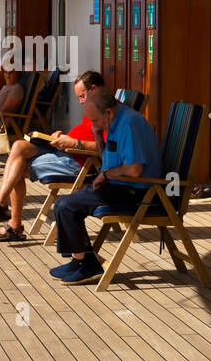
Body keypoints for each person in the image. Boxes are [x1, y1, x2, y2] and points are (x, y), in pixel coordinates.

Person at [50, 87, 162, 284]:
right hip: (119, 184)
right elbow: (107, 159)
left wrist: (109, 174)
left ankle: (86, 264)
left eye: (94, 120)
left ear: (108, 112)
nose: (93, 124)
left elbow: (135, 170)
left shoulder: (128, 125)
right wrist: (97, 133)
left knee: (65, 205)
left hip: (138, 192)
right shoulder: (113, 122)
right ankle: (81, 261)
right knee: (66, 204)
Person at [0, 70, 105, 241]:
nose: (81, 101)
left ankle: (11, 221)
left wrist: (73, 143)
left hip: (79, 161)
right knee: (19, 146)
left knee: (18, 165)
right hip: (67, 150)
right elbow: (87, 133)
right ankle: (1, 204)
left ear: (94, 89)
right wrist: (64, 136)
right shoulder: (94, 106)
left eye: (82, 96)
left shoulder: (109, 112)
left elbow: (104, 148)